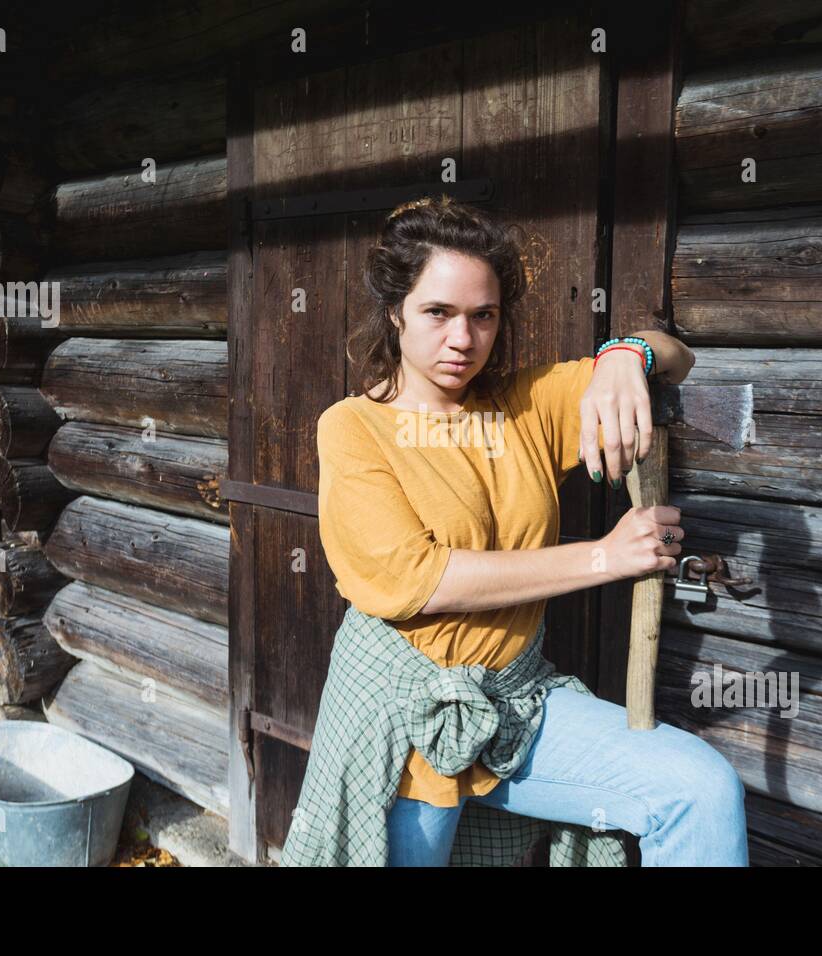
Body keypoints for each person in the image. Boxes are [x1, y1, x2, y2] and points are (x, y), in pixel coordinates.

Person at [310, 193, 748, 866]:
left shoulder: (525, 407)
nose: (463, 339)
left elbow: (676, 356)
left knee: (699, 790)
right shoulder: (352, 428)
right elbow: (416, 581)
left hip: (517, 703)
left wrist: (624, 356)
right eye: (438, 313)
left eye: (483, 316)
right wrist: (604, 559)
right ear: (396, 311)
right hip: (403, 721)